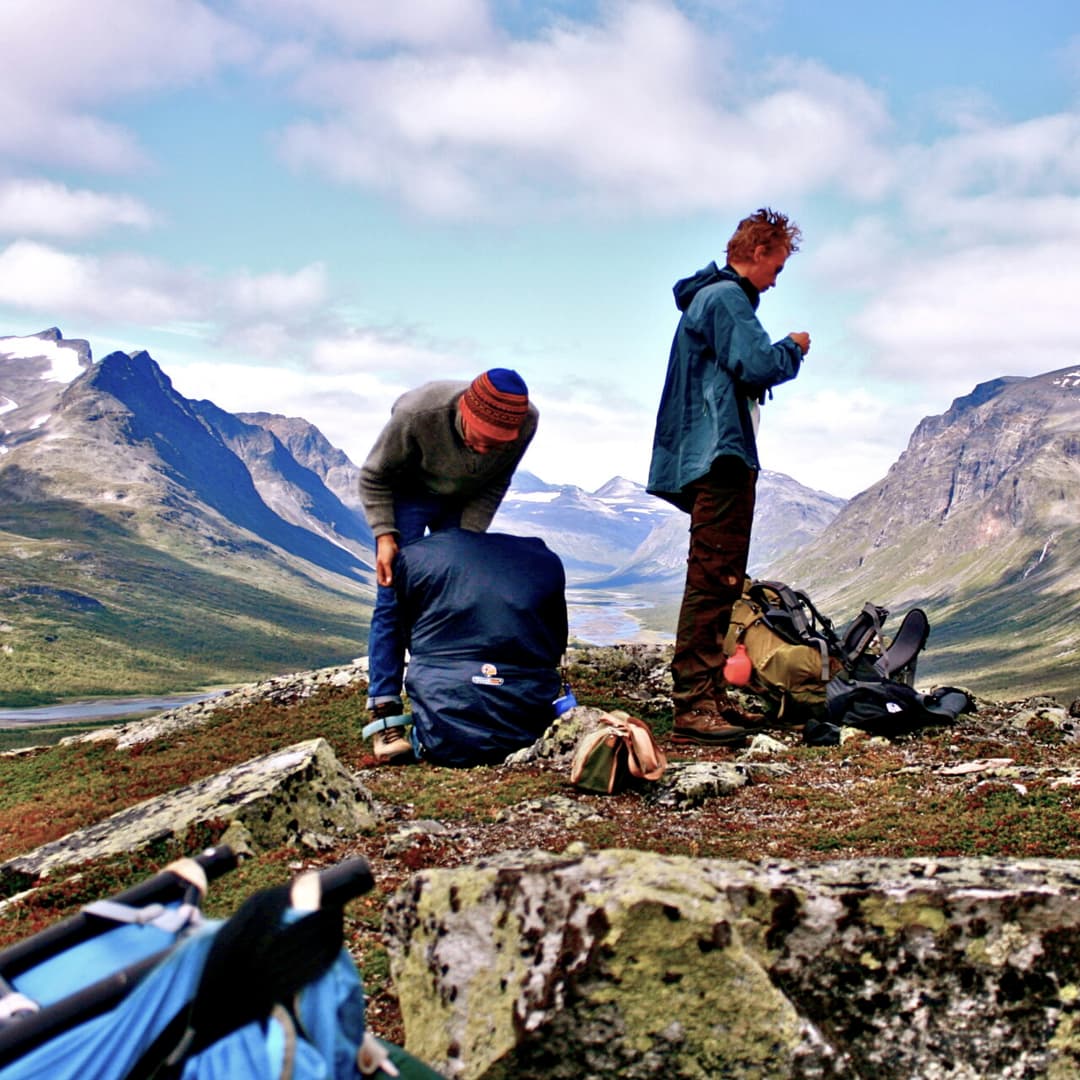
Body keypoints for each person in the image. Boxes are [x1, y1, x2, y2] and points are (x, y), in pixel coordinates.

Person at [647, 208, 811, 748]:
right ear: (759, 251)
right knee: (714, 578)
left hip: (708, 450)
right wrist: (793, 347)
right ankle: (695, 704)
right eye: (777, 266)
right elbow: (760, 366)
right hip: (719, 453)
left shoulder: (712, 298)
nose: (775, 278)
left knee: (717, 575)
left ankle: (709, 695)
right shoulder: (726, 299)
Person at [358, 369, 538, 762]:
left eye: (498, 444)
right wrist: (385, 534)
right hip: (407, 493)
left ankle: (454, 702)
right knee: (392, 599)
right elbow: (373, 477)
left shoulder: (525, 422)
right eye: (482, 439)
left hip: (464, 500)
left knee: (458, 596)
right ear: (462, 414)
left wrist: (465, 545)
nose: (488, 450)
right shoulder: (417, 414)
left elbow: (496, 482)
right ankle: (386, 714)